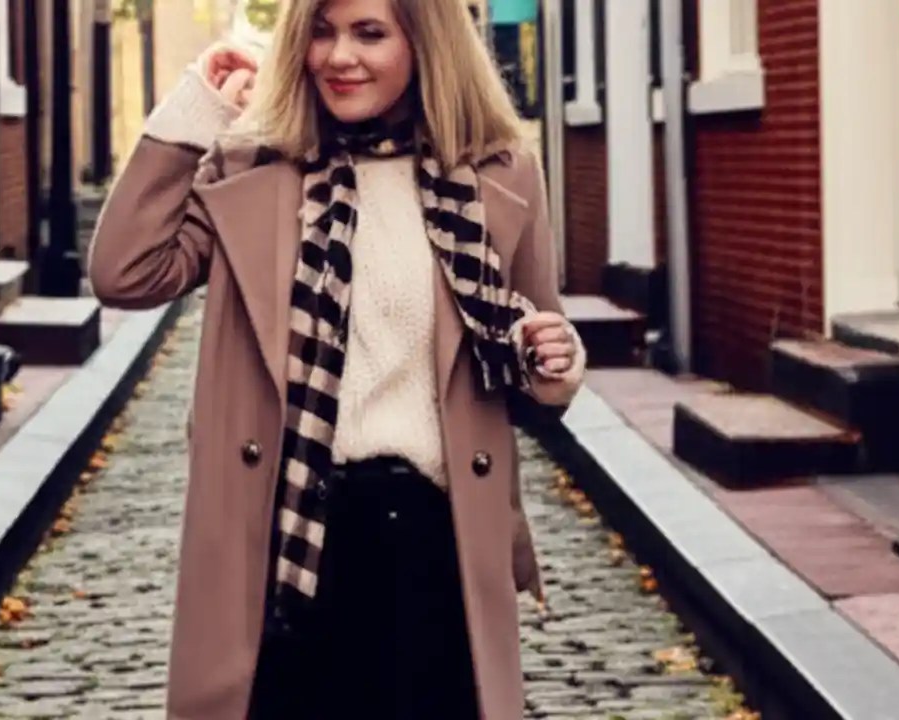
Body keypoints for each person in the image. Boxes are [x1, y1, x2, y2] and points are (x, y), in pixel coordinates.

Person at [88, 0, 586, 717]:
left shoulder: (499, 176)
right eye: (321, 30)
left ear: (427, 43)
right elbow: (125, 272)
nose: (337, 56)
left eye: (369, 33)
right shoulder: (255, 166)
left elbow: (536, 350)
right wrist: (193, 113)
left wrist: (557, 364)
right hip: (287, 543)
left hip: (431, 547)